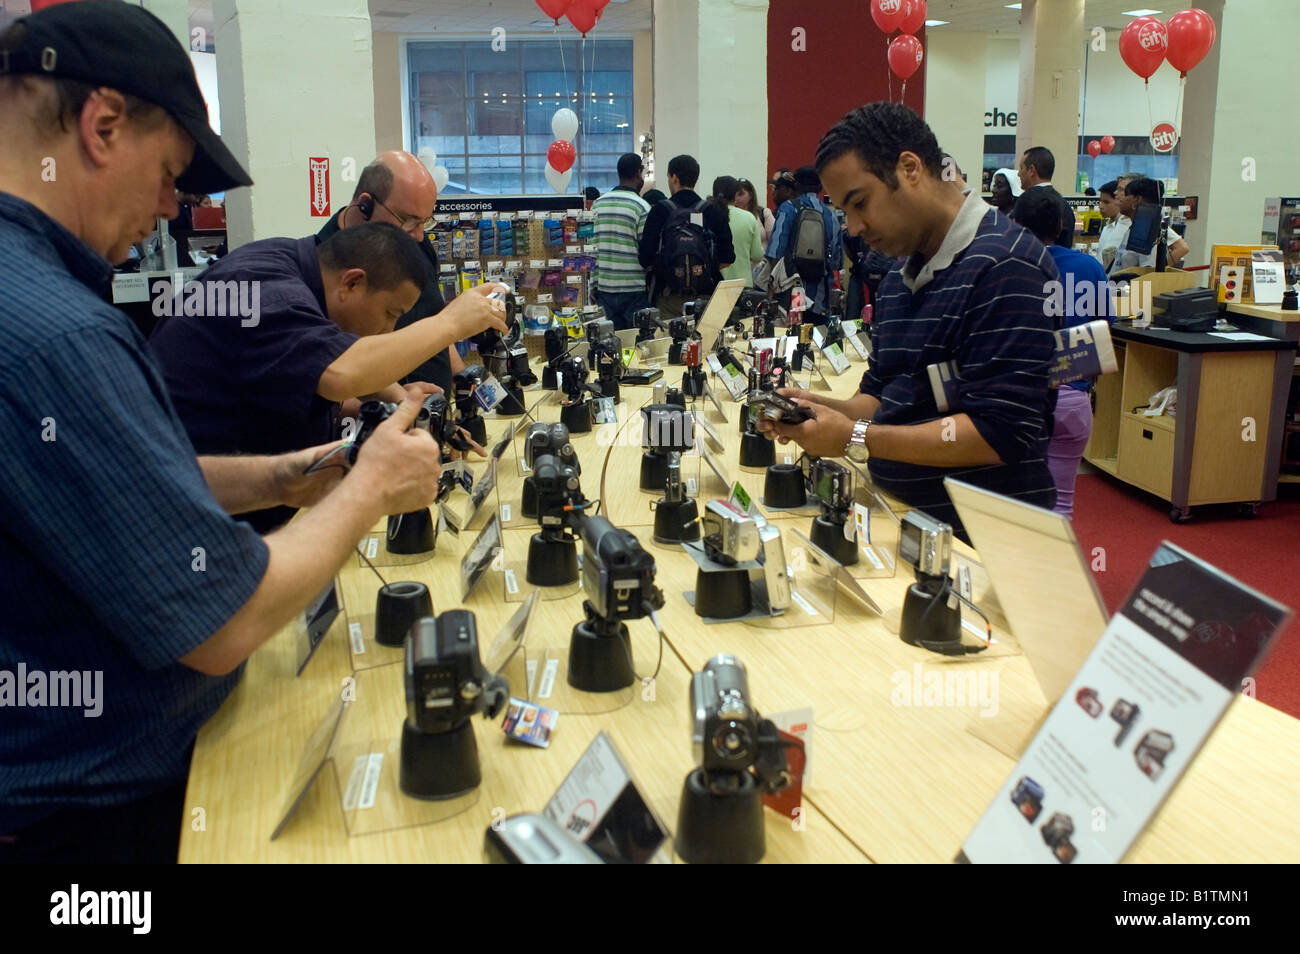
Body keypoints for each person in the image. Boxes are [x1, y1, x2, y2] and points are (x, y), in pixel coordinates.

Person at [0, 2, 442, 863]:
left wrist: (279, 479)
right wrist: (370, 488)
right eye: (169, 173)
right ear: (101, 126)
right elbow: (223, 619)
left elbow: (122, 488)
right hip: (90, 816)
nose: (172, 208)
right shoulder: (58, 331)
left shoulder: (38, 296)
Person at [758, 102, 1059, 539]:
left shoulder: (1007, 265)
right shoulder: (900, 278)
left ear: (911, 168)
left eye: (860, 203)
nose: (855, 227)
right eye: (845, 211)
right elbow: (886, 395)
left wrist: (854, 438)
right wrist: (823, 411)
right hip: (903, 521)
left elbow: (999, 433)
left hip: (982, 544)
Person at [315, 151, 487, 394]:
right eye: (408, 220)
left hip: (428, 415)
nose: (418, 235)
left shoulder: (414, 245)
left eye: (424, 222)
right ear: (364, 206)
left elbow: (430, 317)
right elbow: (332, 372)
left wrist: (461, 377)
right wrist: (393, 400)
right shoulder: (326, 264)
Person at [1015, 186, 1113, 519]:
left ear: (1014, 222)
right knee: (1061, 506)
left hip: (1018, 400)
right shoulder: (1090, 268)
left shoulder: (1006, 265)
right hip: (1073, 398)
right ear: (1060, 226)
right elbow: (1102, 334)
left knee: (1012, 507)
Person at [638, 154, 734, 319]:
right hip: (706, 298)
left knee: (669, 342)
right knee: (705, 342)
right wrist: (701, 270)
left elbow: (645, 258)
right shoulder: (712, 211)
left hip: (668, 297)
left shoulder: (660, 210)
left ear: (674, 177)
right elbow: (728, 257)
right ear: (695, 178)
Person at [764, 165, 841, 314]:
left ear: (796, 185)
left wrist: (772, 288)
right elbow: (835, 263)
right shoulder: (830, 216)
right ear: (820, 187)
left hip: (789, 293)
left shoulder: (788, 208)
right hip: (820, 297)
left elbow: (775, 251)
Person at [591, 152, 651, 329]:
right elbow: (646, 251)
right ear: (637, 173)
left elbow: (591, 248)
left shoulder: (597, 204)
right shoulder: (642, 206)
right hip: (633, 289)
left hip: (603, 288)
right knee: (636, 346)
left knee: (607, 346)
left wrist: (594, 283)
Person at [1113, 176, 1189, 270]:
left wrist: (1161, 269)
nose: (1118, 196)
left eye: (1125, 193)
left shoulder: (1149, 231)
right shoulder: (1133, 228)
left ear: (1137, 200)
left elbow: (1148, 275)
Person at [1014, 146, 1076, 247]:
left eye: (1021, 168)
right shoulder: (1065, 206)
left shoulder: (1025, 204)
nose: (1018, 174)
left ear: (1031, 170)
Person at [713, 175, 764, 288]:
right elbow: (757, 255)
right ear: (735, 194)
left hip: (714, 284)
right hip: (742, 284)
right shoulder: (748, 217)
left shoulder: (708, 215)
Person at [1095, 179, 1127, 271]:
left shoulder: (1127, 225)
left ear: (1118, 201)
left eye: (1106, 202)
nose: (1101, 206)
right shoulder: (1107, 227)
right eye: (1100, 201)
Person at [735, 177, 776, 246]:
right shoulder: (729, 215)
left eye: (741, 194)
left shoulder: (764, 213)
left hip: (762, 256)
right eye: (734, 195)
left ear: (751, 195)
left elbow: (774, 242)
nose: (737, 198)